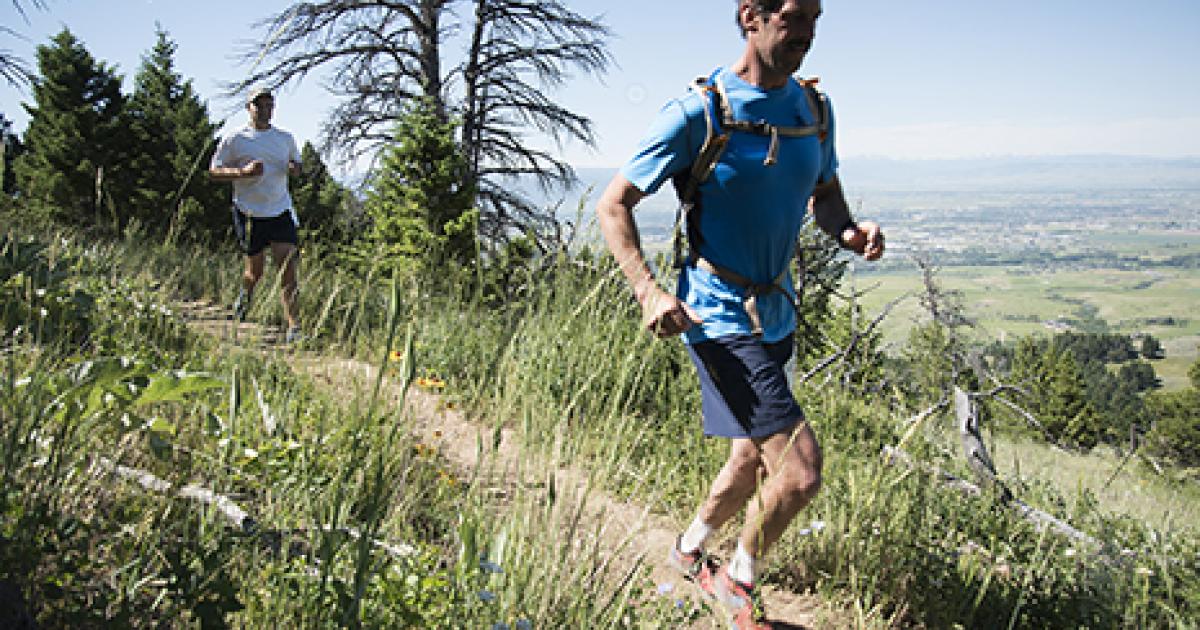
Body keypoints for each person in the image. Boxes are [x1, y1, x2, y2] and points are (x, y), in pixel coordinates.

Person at [596, 1, 885, 628]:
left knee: (751, 457)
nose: (807, 31)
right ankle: (738, 578)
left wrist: (849, 232)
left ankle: (689, 548)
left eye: (815, 18)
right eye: (794, 16)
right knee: (799, 472)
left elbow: (825, 194)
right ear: (751, 16)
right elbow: (613, 203)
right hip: (716, 315)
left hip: (775, 313)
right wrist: (648, 291)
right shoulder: (697, 113)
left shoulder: (814, 110)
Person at [209, 87, 304, 343]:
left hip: (280, 210)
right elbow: (214, 171)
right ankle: (245, 297)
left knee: (287, 268)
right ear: (248, 108)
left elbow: (297, 164)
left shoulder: (285, 138)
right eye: (258, 105)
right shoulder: (235, 138)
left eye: (268, 105)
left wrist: (295, 168)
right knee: (255, 272)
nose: (264, 110)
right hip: (248, 212)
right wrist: (243, 173)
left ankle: (294, 327)